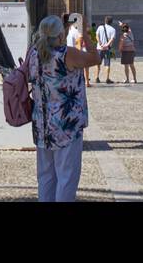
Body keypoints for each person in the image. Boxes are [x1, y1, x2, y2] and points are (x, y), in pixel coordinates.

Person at [27, 15, 100, 201]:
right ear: (61, 34)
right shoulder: (67, 54)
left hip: (42, 124)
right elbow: (96, 58)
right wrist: (85, 34)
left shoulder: (33, 53)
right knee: (66, 177)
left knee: (45, 176)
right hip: (66, 125)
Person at [95, 16, 118, 84]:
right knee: (107, 64)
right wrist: (107, 45)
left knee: (98, 64)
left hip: (99, 48)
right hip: (107, 49)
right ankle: (107, 78)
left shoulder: (100, 27)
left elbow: (97, 35)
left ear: (105, 21)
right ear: (111, 22)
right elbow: (112, 39)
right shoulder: (113, 29)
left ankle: (97, 77)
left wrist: (100, 43)